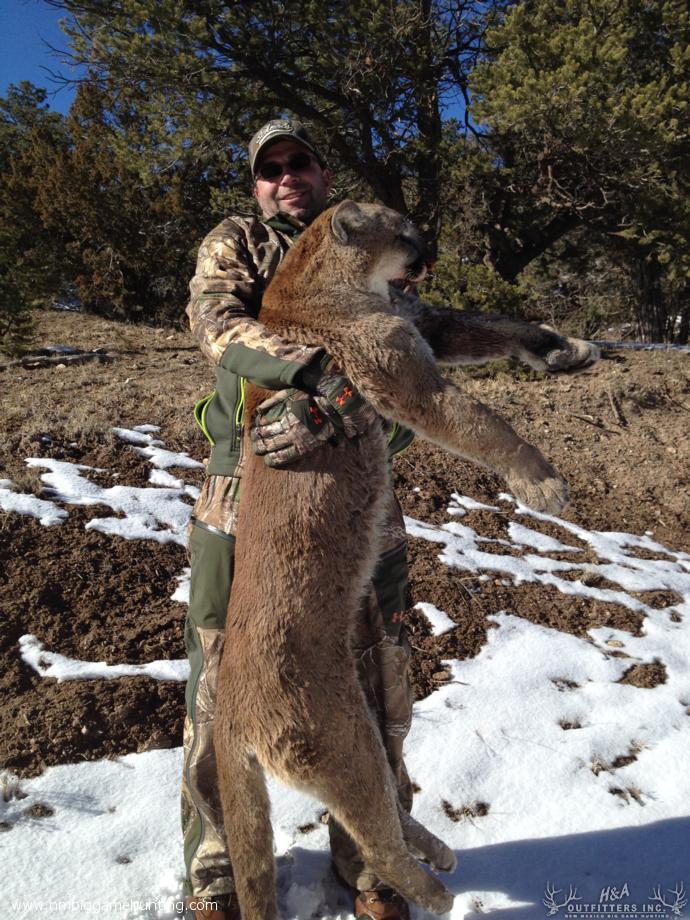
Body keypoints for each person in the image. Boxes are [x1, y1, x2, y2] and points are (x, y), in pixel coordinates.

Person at [182, 118, 597, 920]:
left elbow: (422, 334)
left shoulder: (361, 248)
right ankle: (221, 867)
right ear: (257, 183)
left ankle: (374, 859)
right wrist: (313, 377)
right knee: (225, 688)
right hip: (248, 494)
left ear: (323, 174)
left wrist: (524, 340)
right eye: (271, 168)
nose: (287, 176)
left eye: (301, 161)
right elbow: (217, 326)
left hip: (353, 499)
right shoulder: (239, 243)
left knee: (376, 674)